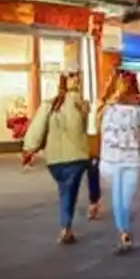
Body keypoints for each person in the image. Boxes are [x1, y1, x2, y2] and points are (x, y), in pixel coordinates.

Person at [22, 70, 92, 245]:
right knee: (69, 191)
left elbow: (37, 128)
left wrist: (29, 148)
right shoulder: (80, 104)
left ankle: (66, 227)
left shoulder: (51, 104)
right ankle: (65, 227)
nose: (77, 78)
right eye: (73, 75)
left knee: (65, 190)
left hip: (55, 159)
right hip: (75, 157)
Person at [99, 71, 140, 254]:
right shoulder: (110, 108)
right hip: (120, 158)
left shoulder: (137, 108)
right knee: (120, 197)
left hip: (126, 158)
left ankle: (124, 229)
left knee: (123, 198)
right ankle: (123, 231)